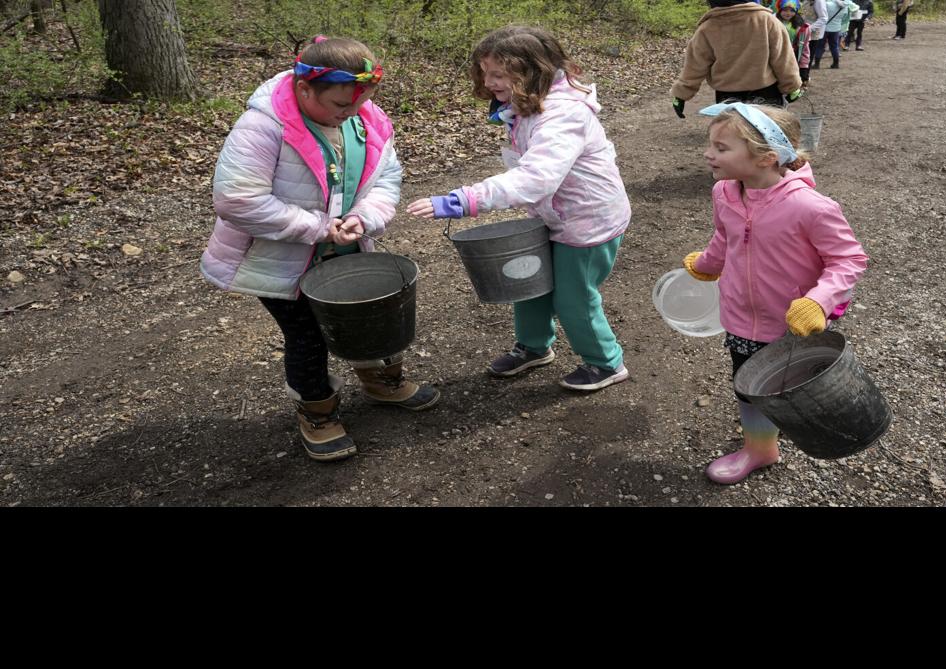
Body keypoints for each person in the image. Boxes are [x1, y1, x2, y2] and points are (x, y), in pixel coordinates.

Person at [201, 35, 430, 462]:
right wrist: (320, 227)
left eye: (359, 104)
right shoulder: (264, 126)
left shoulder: (367, 119)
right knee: (307, 336)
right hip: (277, 260)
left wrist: (365, 217)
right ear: (304, 89)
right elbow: (238, 200)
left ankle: (381, 381)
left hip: (344, 248)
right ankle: (318, 411)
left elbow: (386, 177)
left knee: (368, 314)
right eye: (341, 106)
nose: (351, 114)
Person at [408, 26, 632, 392]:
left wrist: (464, 199)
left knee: (573, 298)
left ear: (530, 70)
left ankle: (605, 362)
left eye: (498, 74)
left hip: (589, 220)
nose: (488, 81)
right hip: (553, 214)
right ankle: (533, 346)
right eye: (484, 72)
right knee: (530, 282)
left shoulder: (564, 114)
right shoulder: (529, 105)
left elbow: (536, 177)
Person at [680, 104, 868, 483]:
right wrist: (709, 263)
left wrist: (818, 301)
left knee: (792, 388)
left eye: (721, 147)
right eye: (710, 145)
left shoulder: (809, 206)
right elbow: (726, 235)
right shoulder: (724, 193)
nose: (708, 154)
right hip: (739, 315)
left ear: (766, 158)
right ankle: (761, 449)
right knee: (748, 387)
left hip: (791, 323)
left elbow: (848, 259)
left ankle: (797, 433)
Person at [670, 0, 803, 110]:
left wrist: (681, 95)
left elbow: (695, 65)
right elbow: (783, 58)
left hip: (727, 95)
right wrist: (792, 86)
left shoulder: (707, 27)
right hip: (766, 92)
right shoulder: (767, 21)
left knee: (733, 138)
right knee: (766, 138)